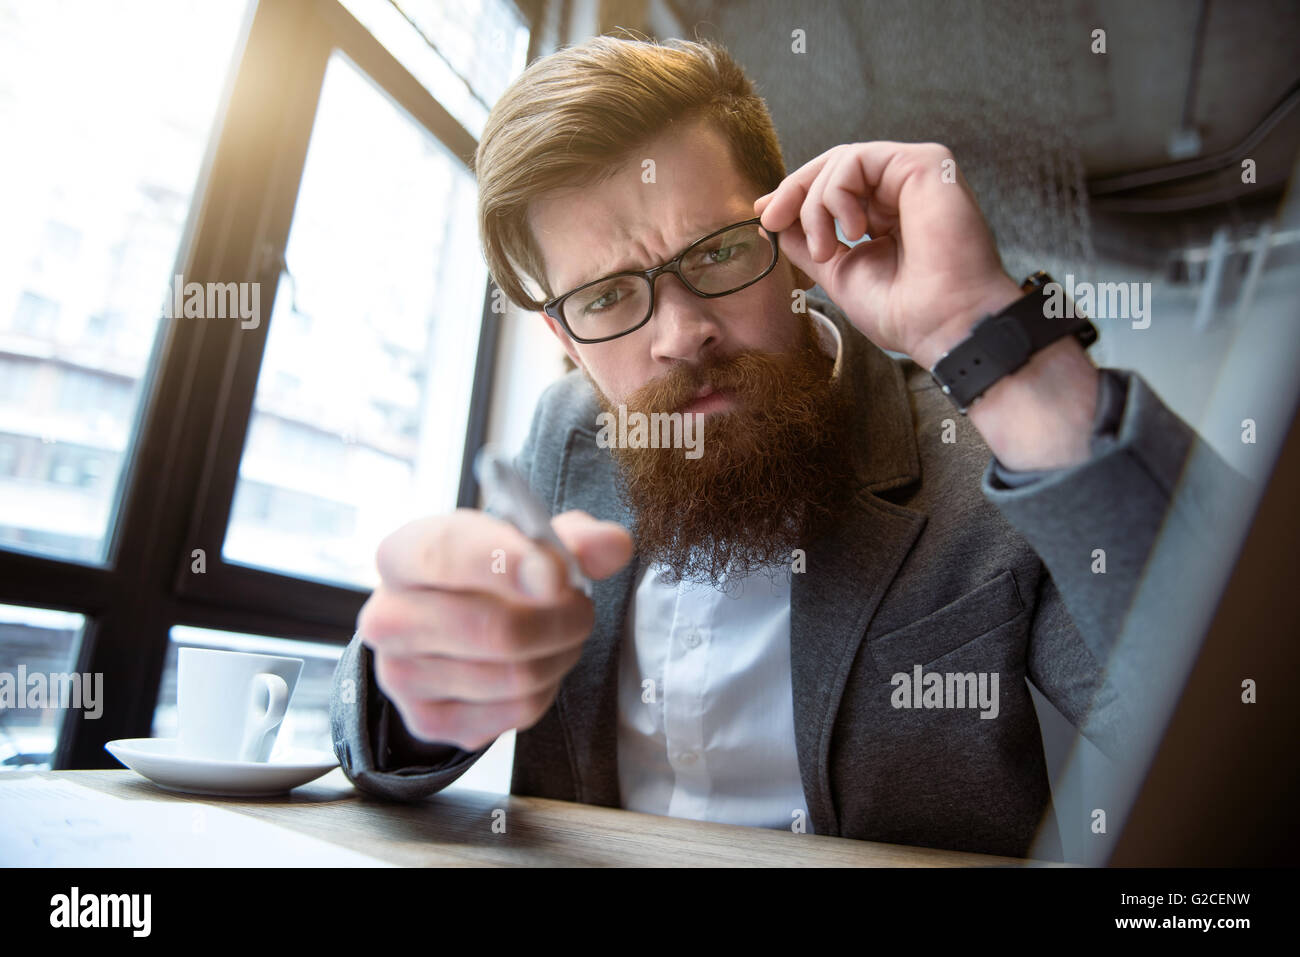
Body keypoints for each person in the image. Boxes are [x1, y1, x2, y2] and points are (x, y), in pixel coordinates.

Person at [329, 35, 1244, 858]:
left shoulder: (977, 459)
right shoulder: (565, 435)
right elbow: (405, 716)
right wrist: (422, 686)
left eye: (719, 251)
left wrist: (991, 339)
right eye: (606, 298)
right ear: (562, 336)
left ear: (791, 236)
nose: (682, 334)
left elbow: (1240, 718)